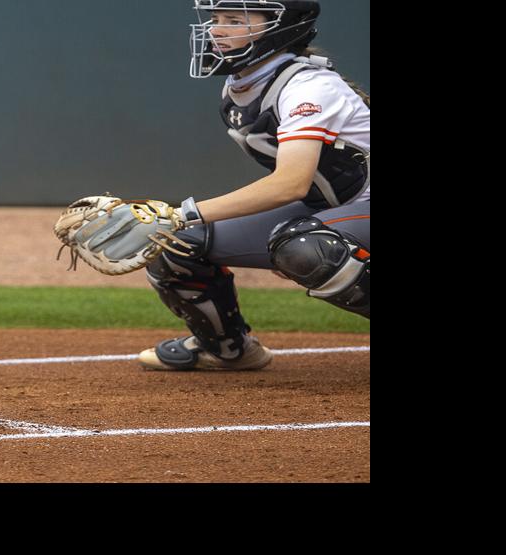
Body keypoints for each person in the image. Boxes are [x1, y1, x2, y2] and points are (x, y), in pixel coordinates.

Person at [138, 0, 370, 372]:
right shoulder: (243, 84)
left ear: (282, 26)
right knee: (175, 241)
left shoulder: (307, 86)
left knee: (306, 247)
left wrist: (178, 213)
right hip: (333, 205)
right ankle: (226, 348)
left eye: (235, 20)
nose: (216, 29)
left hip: (357, 205)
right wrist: (178, 224)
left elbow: (290, 183)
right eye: (216, 19)